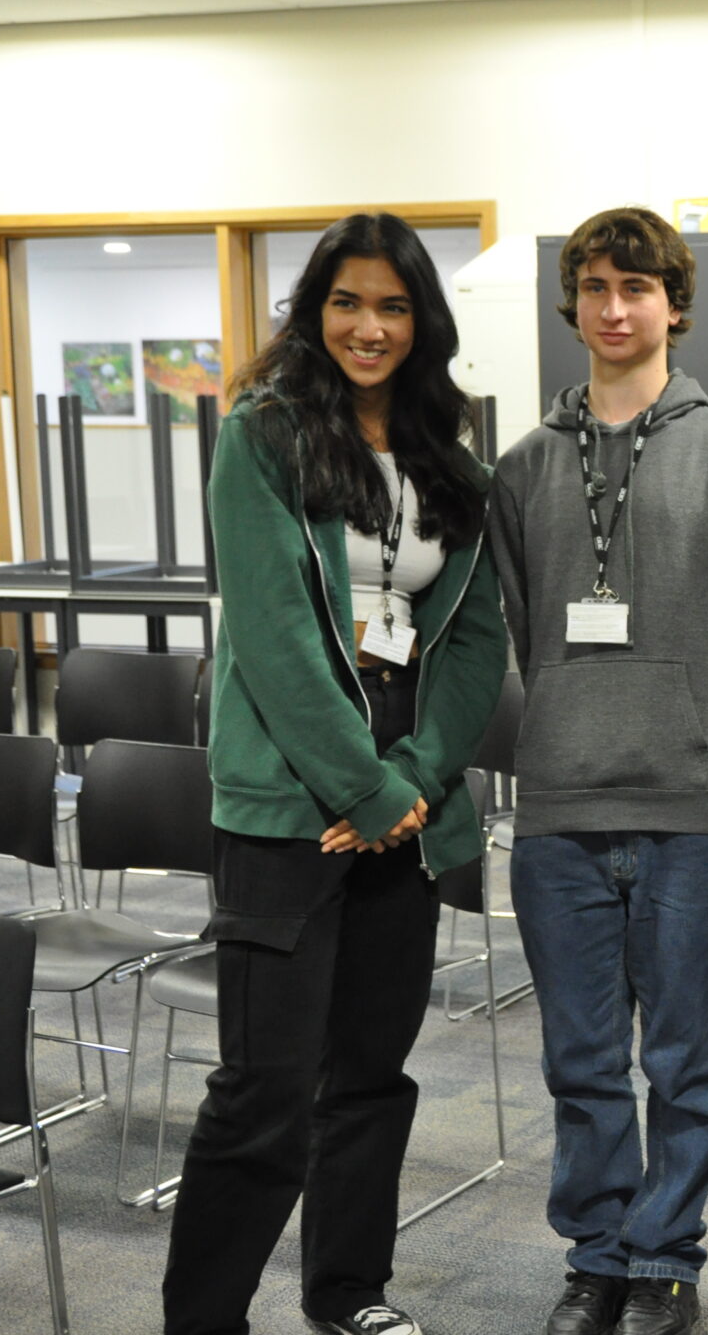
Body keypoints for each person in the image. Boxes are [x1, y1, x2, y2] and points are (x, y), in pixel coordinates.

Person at [162, 212, 508, 1335]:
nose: (370, 326)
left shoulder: (447, 458)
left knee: (370, 1071)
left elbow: (472, 640)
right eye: (348, 302)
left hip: (406, 781)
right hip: (291, 795)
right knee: (265, 1090)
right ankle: (204, 1318)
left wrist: (410, 779)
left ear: (423, 320)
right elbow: (268, 634)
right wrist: (364, 791)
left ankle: (348, 1291)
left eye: (394, 306)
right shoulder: (261, 434)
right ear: (315, 311)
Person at [489, 207, 708, 1335]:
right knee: (581, 1061)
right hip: (560, 802)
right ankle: (596, 1254)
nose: (615, 308)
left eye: (637, 287)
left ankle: (664, 1259)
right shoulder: (522, 463)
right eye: (596, 288)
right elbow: (518, 631)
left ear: (673, 302)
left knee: (681, 1060)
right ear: (573, 307)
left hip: (692, 807)